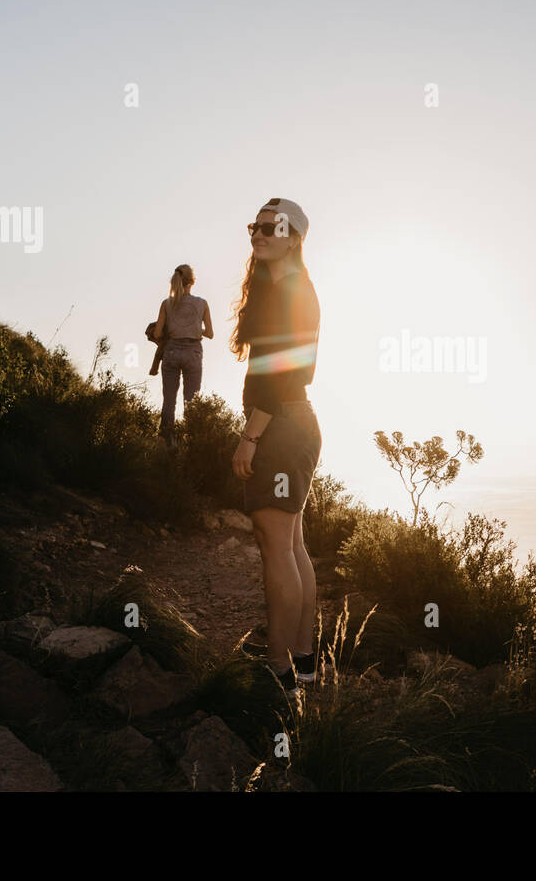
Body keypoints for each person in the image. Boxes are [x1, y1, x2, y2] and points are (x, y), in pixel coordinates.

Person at [228, 198, 322, 702]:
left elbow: (286, 370)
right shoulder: (290, 288)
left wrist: (250, 435)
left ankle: (277, 668)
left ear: (294, 238)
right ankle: (302, 662)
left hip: (281, 426)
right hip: (296, 423)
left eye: (271, 228)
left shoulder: (288, 291)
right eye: (255, 227)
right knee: (294, 547)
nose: (259, 234)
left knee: (276, 548)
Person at [155, 263, 213, 446]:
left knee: (169, 399)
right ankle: (191, 442)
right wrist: (195, 329)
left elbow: (157, 334)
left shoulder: (166, 304)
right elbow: (210, 333)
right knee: (191, 401)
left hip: (171, 351)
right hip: (193, 353)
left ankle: (168, 440)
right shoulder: (202, 303)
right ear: (192, 281)